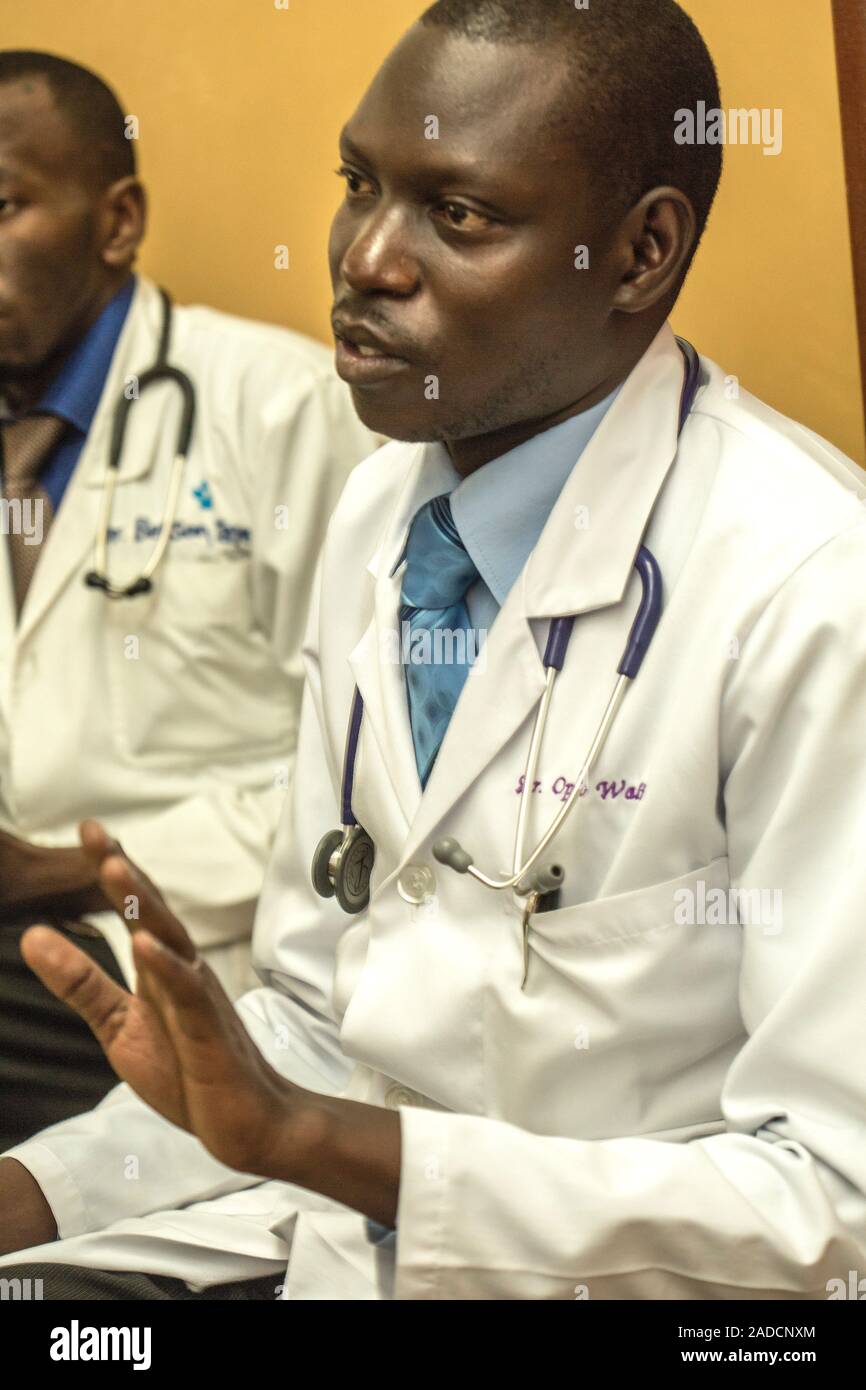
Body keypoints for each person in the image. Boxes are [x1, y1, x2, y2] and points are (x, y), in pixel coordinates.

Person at [1, 0, 865, 1300]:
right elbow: (311, 1025)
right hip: (338, 1242)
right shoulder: (381, 513)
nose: (364, 259)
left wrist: (336, 1144)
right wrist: (43, 1189)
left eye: (456, 215)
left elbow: (830, 1204)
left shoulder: (806, 590)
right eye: (359, 187)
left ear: (638, 252)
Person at [0, 51, 378, 1148]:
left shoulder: (280, 409)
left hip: (204, 950)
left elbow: (376, 778)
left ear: (116, 222)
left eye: (3, 204)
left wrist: (68, 867)